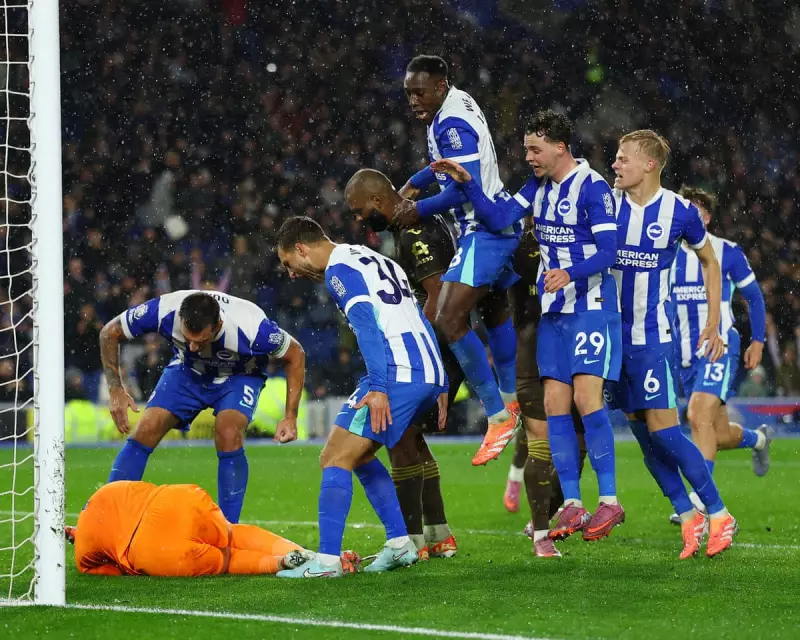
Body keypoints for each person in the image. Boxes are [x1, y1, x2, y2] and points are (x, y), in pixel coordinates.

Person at [432, 110, 625, 546]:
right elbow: (499, 217)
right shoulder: (537, 186)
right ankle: (572, 502)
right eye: (525, 150)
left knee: (585, 399)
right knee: (555, 405)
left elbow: (609, 251)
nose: (529, 158)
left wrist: (569, 273)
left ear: (560, 147)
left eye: (535, 150)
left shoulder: (592, 187)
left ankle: (610, 499)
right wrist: (468, 184)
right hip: (553, 313)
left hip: (591, 308)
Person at [275, 216, 448, 578]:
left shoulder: (339, 270)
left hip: (397, 371)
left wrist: (379, 388)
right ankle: (399, 544)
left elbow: (368, 327)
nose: (290, 274)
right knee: (361, 454)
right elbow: (417, 315)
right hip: (425, 369)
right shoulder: (374, 258)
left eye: (289, 263)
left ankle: (327, 563)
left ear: (302, 249)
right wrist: (442, 381)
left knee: (334, 457)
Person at [608, 130, 736, 558]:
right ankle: (687, 513)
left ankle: (718, 513)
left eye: (623, 158)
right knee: (643, 436)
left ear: (649, 165)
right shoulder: (606, 202)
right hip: (612, 340)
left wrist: (713, 322)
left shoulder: (679, 212)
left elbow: (710, 262)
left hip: (652, 338)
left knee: (665, 430)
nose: (615, 165)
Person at [393, 54, 521, 466]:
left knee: (448, 317)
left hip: (482, 229)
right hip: (495, 222)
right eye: (408, 93)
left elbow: (465, 186)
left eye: (420, 92)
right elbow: (448, 167)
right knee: (495, 311)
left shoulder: (450, 123)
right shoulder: (456, 103)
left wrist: (417, 208)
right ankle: (512, 398)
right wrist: (415, 181)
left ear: (440, 85)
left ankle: (497, 415)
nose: (413, 100)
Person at [100, 290, 306, 524]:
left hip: (239, 376)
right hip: (187, 372)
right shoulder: (164, 310)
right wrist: (115, 390)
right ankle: (107, 517)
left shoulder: (253, 328)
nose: (193, 347)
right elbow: (109, 332)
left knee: (228, 432)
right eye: (188, 339)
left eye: (201, 341)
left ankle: (227, 529)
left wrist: (290, 416)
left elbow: (296, 354)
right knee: (146, 429)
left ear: (219, 325)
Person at [344, 168, 458, 559]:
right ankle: (437, 534)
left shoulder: (413, 233)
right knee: (411, 438)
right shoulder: (414, 223)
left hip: (431, 348)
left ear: (377, 201)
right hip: (442, 345)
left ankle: (412, 540)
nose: (359, 218)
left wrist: (414, 344)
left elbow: (437, 295)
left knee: (399, 438)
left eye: (360, 209)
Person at [668, 186, 773, 525]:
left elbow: (753, 297)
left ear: (708, 218)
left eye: (697, 211)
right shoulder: (666, 254)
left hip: (719, 346)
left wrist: (757, 341)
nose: (690, 217)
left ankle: (701, 501)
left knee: (697, 415)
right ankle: (759, 439)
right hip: (683, 354)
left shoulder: (726, 251)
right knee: (718, 432)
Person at [67, 480, 358, 576]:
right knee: (231, 534)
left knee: (227, 560)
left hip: (154, 549)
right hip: (177, 501)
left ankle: (280, 563)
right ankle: (313, 557)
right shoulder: (105, 491)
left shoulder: (84, 553)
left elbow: (112, 571)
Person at [504, 225, 588, 557]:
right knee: (539, 443)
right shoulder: (519, 247)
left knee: (579, 448)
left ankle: (543, 516)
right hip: (533, 348)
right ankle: (541, 535)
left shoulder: (579, 239)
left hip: (574, 346)